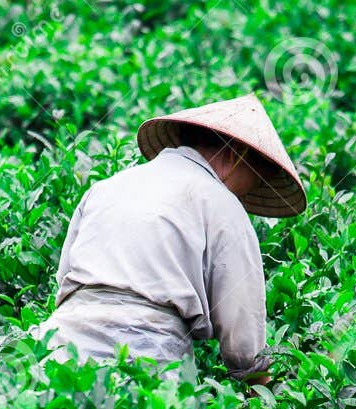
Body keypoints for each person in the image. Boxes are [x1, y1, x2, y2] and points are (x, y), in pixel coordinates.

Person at [36, 93, 306, 382]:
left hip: (61, 350)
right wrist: (260, 396)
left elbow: (64, 283)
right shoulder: (220, 202)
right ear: (235, 155)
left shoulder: (105, 187)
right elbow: (242, 338)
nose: (242, 194)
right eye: (250, 181)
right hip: (148, 356)